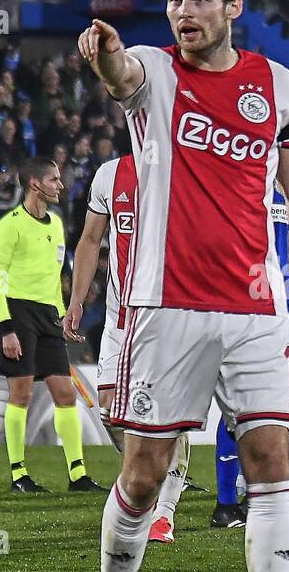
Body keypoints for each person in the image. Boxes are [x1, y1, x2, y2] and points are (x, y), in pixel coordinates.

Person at [78, 0, 289, 572]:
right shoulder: (154, 72)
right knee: (143, 474)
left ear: (234, 6)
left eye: (198, 0)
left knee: (270, 463)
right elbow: (118, 72)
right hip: (166, 309)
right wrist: (102, 53)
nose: (184, 13)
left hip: (257, 308)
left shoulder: (277, 86)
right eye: (173, 1)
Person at [62, 154, 195, 544]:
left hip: (170, 316)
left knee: (170, 414)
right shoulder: (110, 174)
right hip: (121, 319)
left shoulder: (185, 169)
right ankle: (147, 475)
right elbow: (89, 239)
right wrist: (78, 299)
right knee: (109, 409)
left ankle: (164, 513)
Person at [214, 166, 289, 524]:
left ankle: (274, 480)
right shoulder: (260, 191)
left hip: (283, 302)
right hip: (255, 304)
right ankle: (227, 490)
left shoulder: (287, 204)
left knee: (281, 399)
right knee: (245, 402)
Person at [0, 156, 105, 495]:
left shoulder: (55, 224)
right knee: (20, 394)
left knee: (65, 394)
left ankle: (78, 473)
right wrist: (6, 328)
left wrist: (64, 313)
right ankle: (18, 473)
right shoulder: (9, 227)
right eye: (53, 179)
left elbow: (56, 277)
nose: (60, 185)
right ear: (35, 184)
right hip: (18, 314)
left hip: (49, 316)